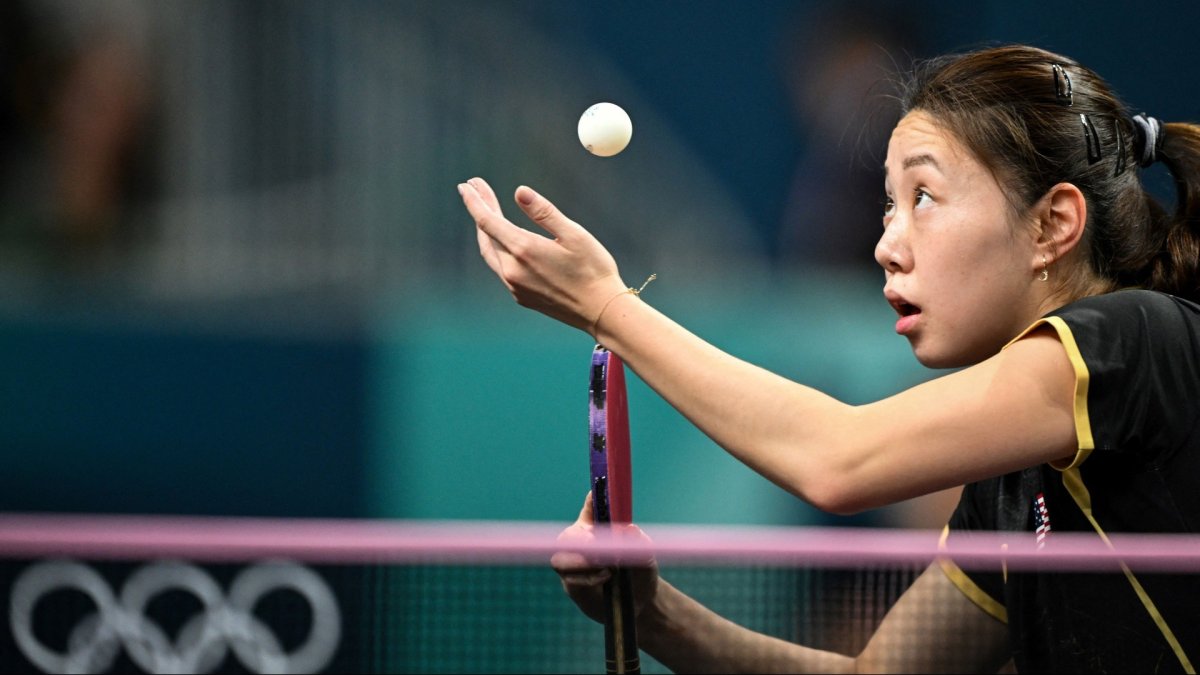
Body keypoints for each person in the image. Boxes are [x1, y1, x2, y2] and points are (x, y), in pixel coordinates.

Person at [457, 44, 1200, 673]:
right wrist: (651, 612)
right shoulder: (1009, 489)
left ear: (1053, 224)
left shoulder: (1136, 340)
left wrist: (608, 309)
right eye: (887, 203)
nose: (887, 243)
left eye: (925, 197)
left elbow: (839, 459)